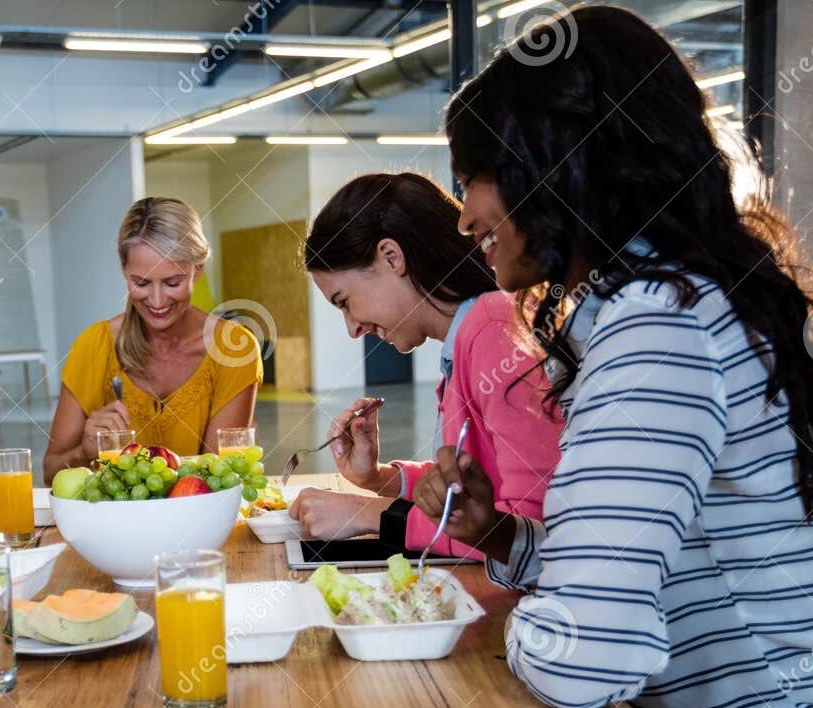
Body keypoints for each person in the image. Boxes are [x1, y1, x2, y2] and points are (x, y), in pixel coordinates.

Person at [418, 4, 813, 708]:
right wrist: (508, 538)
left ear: (550, 167)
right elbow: (658, 566)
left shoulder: (656, 330)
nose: (465, 208)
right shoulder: (691, 295)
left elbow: (589, 658)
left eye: (473, 173)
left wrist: (478, 637)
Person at [288, 172, 560, 555]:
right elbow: (474, 492)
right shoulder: (471, 334)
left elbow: (531, 530)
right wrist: (383, 480)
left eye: (345, 301)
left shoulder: (495, 331)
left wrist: (374, 515)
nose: (352, 328)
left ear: (391, 257)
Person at [44, 197, 261, 478]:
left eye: (173, 282)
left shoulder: (233, 348)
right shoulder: (93, 345)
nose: (157, 301)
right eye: (141, 283)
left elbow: (216, 479)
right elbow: (51, 471)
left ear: (198, 269)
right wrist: (84, 452)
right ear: (124, 270)